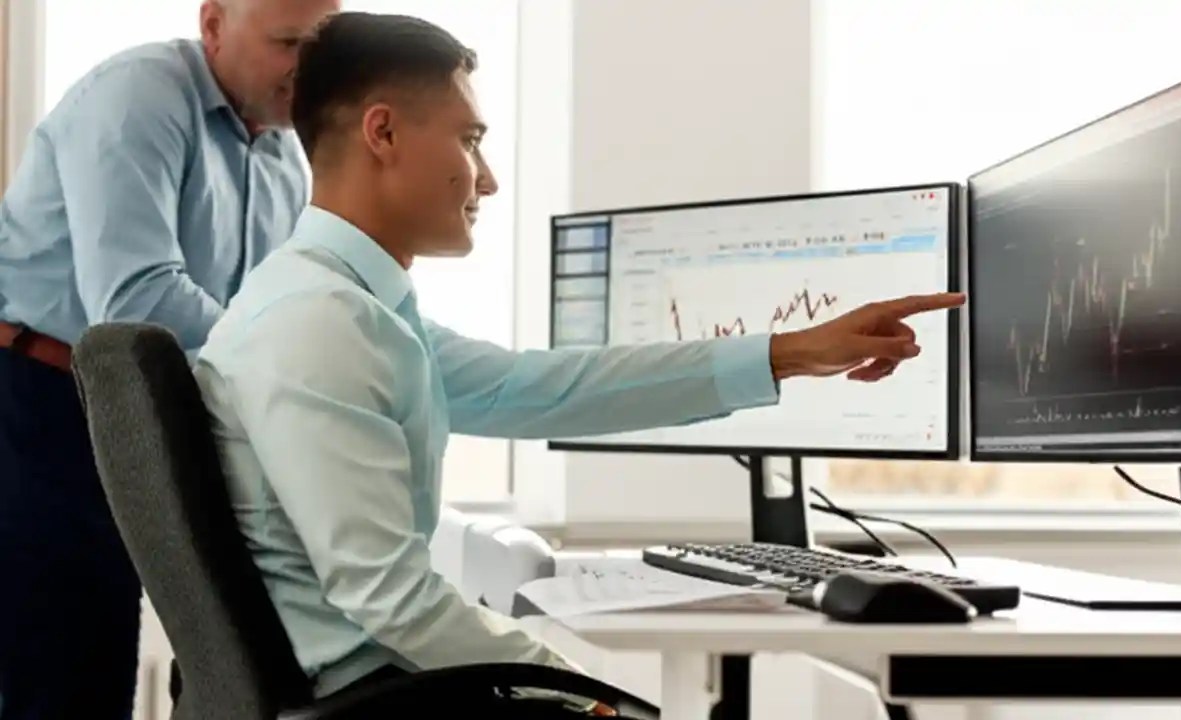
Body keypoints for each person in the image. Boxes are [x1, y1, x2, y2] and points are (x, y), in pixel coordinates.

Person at [192, 10, 966, 711]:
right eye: (470, 141)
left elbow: (544, 388)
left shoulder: (351, 309)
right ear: (384, 134)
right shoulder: (316, 322)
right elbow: (389, 599)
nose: (486, 179)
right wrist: (586, 696)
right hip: (388, 698)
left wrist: (796, 352)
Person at [0, 1, 338, 717]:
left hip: (157, 408)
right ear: (214, 24)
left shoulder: (284, 154)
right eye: (287, 43)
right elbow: (137, 300)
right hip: (39, 400)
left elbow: (266, 313)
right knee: (62, 677)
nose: (307, 68)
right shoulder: (138, 99)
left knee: (225, 657)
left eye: (321, 44)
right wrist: (297, 364)